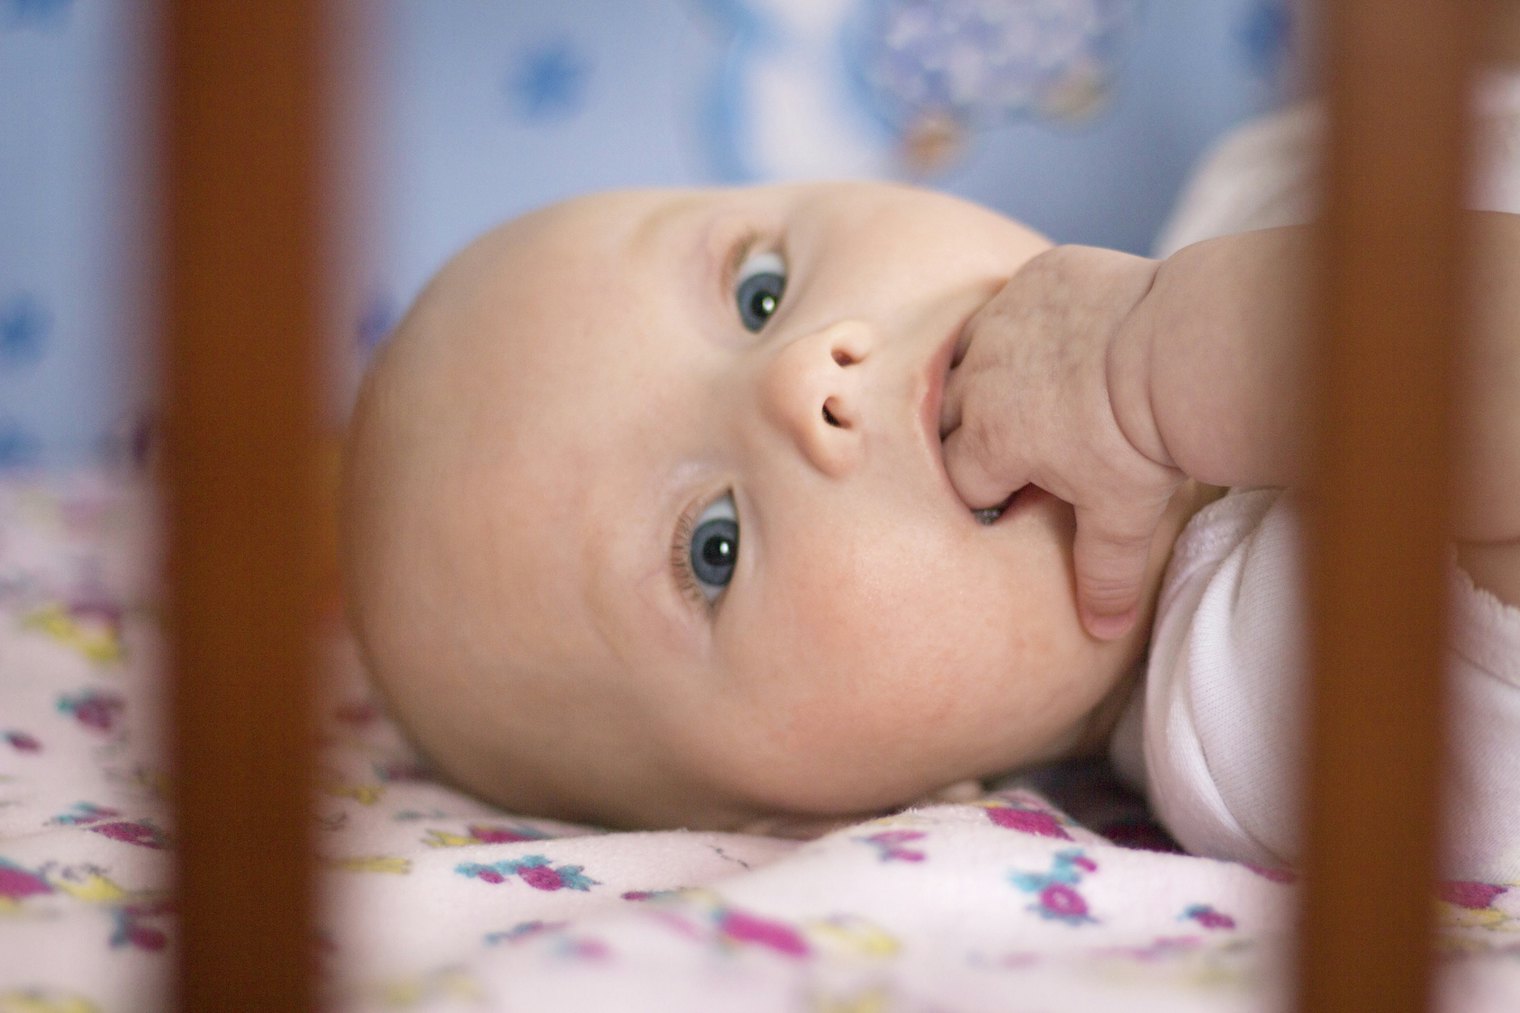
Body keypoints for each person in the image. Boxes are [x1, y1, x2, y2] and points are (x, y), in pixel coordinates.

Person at [340, 181, 1520, 878]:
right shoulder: (1264, 708)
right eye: (715, 545)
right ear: (826, 811)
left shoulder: (1234, 193)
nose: (802, 377)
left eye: (758, 292)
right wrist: (1148, 358)